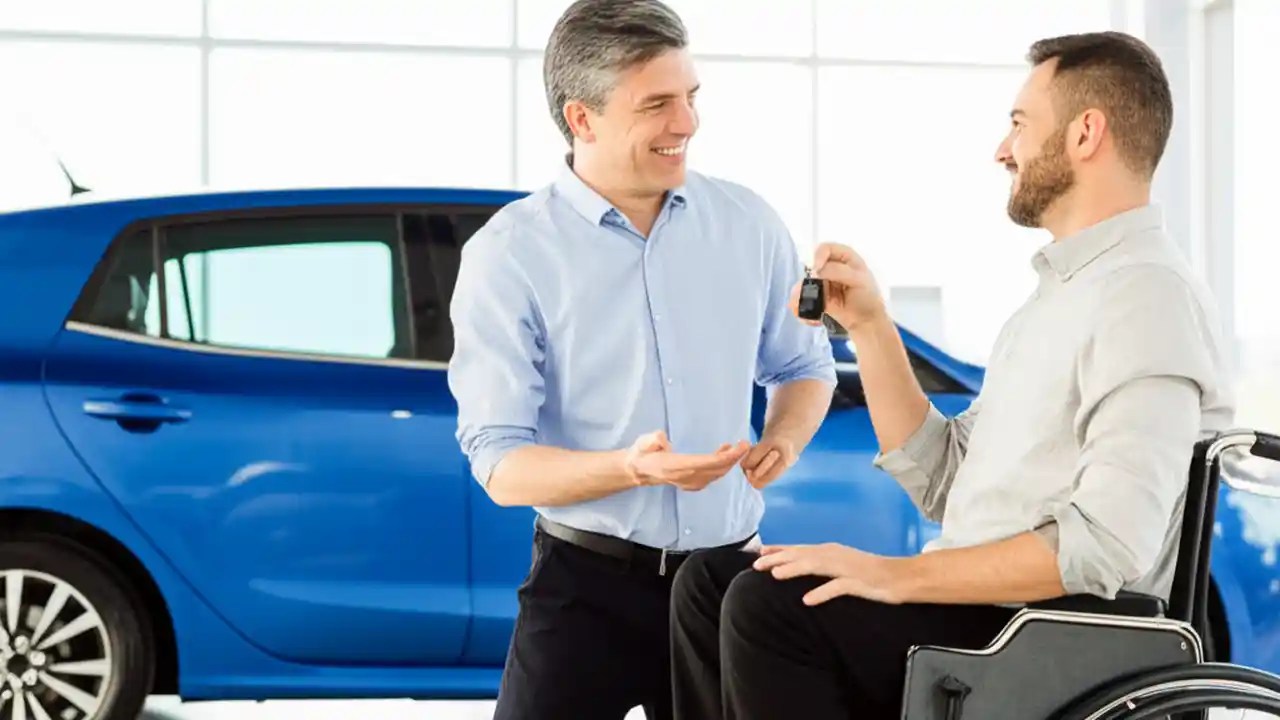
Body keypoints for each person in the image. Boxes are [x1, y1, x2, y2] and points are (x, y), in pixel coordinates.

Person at [668, 30, 1235, 720]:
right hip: (988, 615)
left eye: (1020, 125)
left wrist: (895, 577)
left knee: (771, 608)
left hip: (1046, 632)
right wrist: (873, 329)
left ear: (1087, 133)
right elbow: (946, 480)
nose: (1004, 150)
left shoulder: (1147, 297)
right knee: (710, 581)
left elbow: (1107, 544)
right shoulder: (1061, 295)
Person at [446, 1, 837, 718]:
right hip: (584, 584)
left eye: (690, 98)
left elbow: (804, 367)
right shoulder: (510, 254)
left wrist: (783, 438)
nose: (686, 123)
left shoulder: (747, 223)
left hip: (727, 586)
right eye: (657, 104)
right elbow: (501, 464)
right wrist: (630, 468)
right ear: (582, 119)